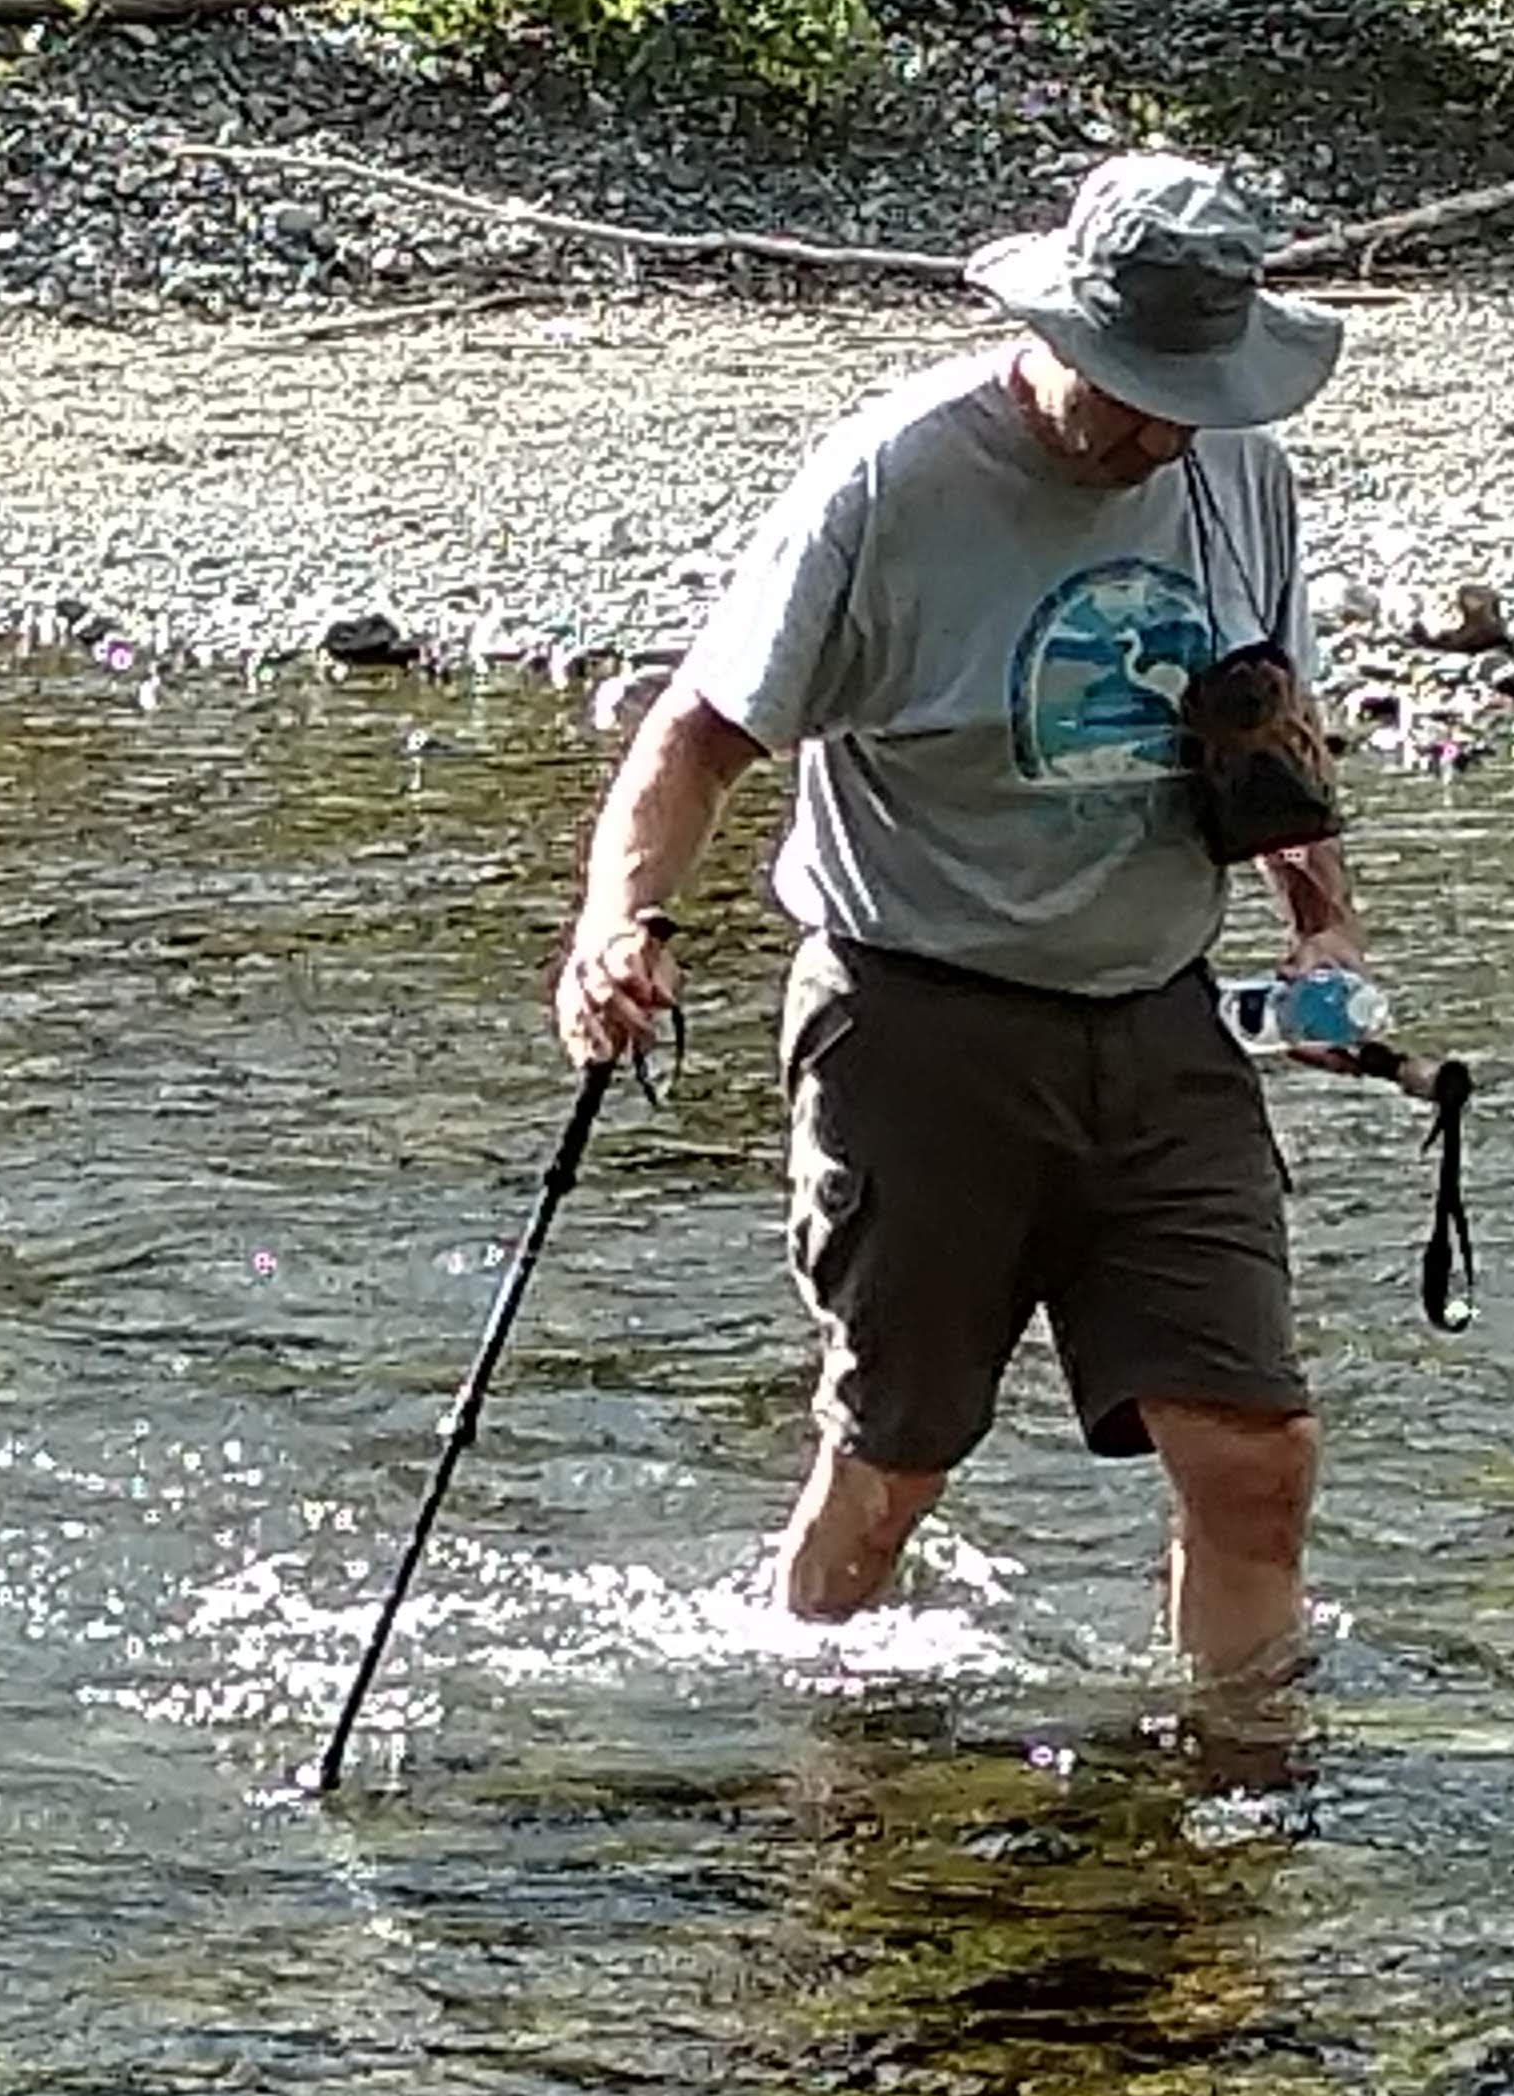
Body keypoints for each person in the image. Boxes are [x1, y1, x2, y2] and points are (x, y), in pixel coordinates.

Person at [554, 153, 1372, 1688]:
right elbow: (698, 736)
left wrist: (1322, 934)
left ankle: (1240, 1815)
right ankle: (811, 1740)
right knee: (895, 1470)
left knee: (1255, 1458)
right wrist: (619, 923)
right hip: (913, 1025)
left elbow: (1270, 722)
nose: (1156, 432)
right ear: (1053, 331)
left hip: (1157, 1023)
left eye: (1186, 396)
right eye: (1128, 389)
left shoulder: (1234, 462)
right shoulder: (892, 481)